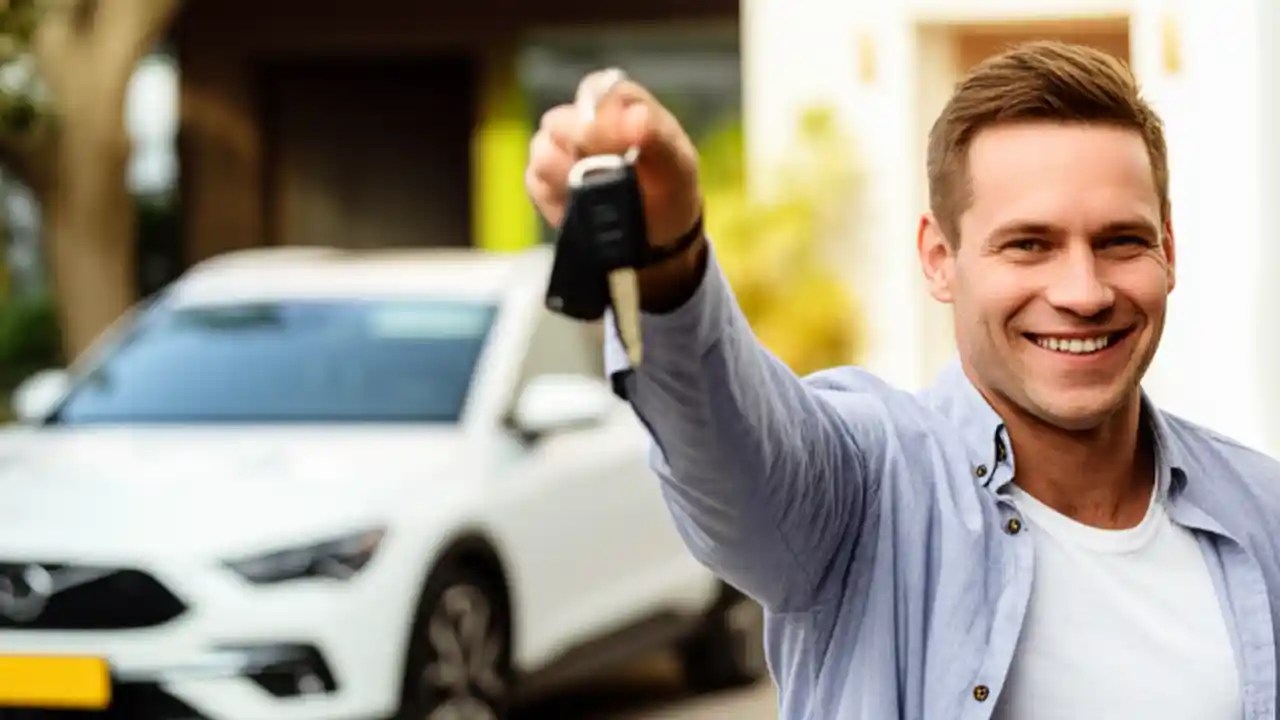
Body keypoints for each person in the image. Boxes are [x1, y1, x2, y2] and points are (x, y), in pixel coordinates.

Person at [524, 40, 1280, 719]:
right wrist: (668, 260)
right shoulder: (865, 489)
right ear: (939, 258)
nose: (1083, 292)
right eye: (1028, 245)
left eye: (1119, 241)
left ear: (1169, 249)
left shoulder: (1263, 514)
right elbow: (735, 446)